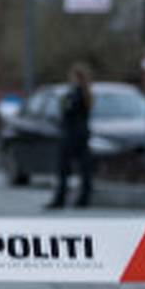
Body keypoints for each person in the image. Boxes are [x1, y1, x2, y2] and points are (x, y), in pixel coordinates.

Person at [50, 61, 96, 210]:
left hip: (71, 135)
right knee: (84, 169)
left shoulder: (75, 94)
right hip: (82, 134)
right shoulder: (87, 93)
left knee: (63, 168)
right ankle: (83, 198)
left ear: (77, 77)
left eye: (72, 76)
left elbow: (67, 111)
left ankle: (60, 199)